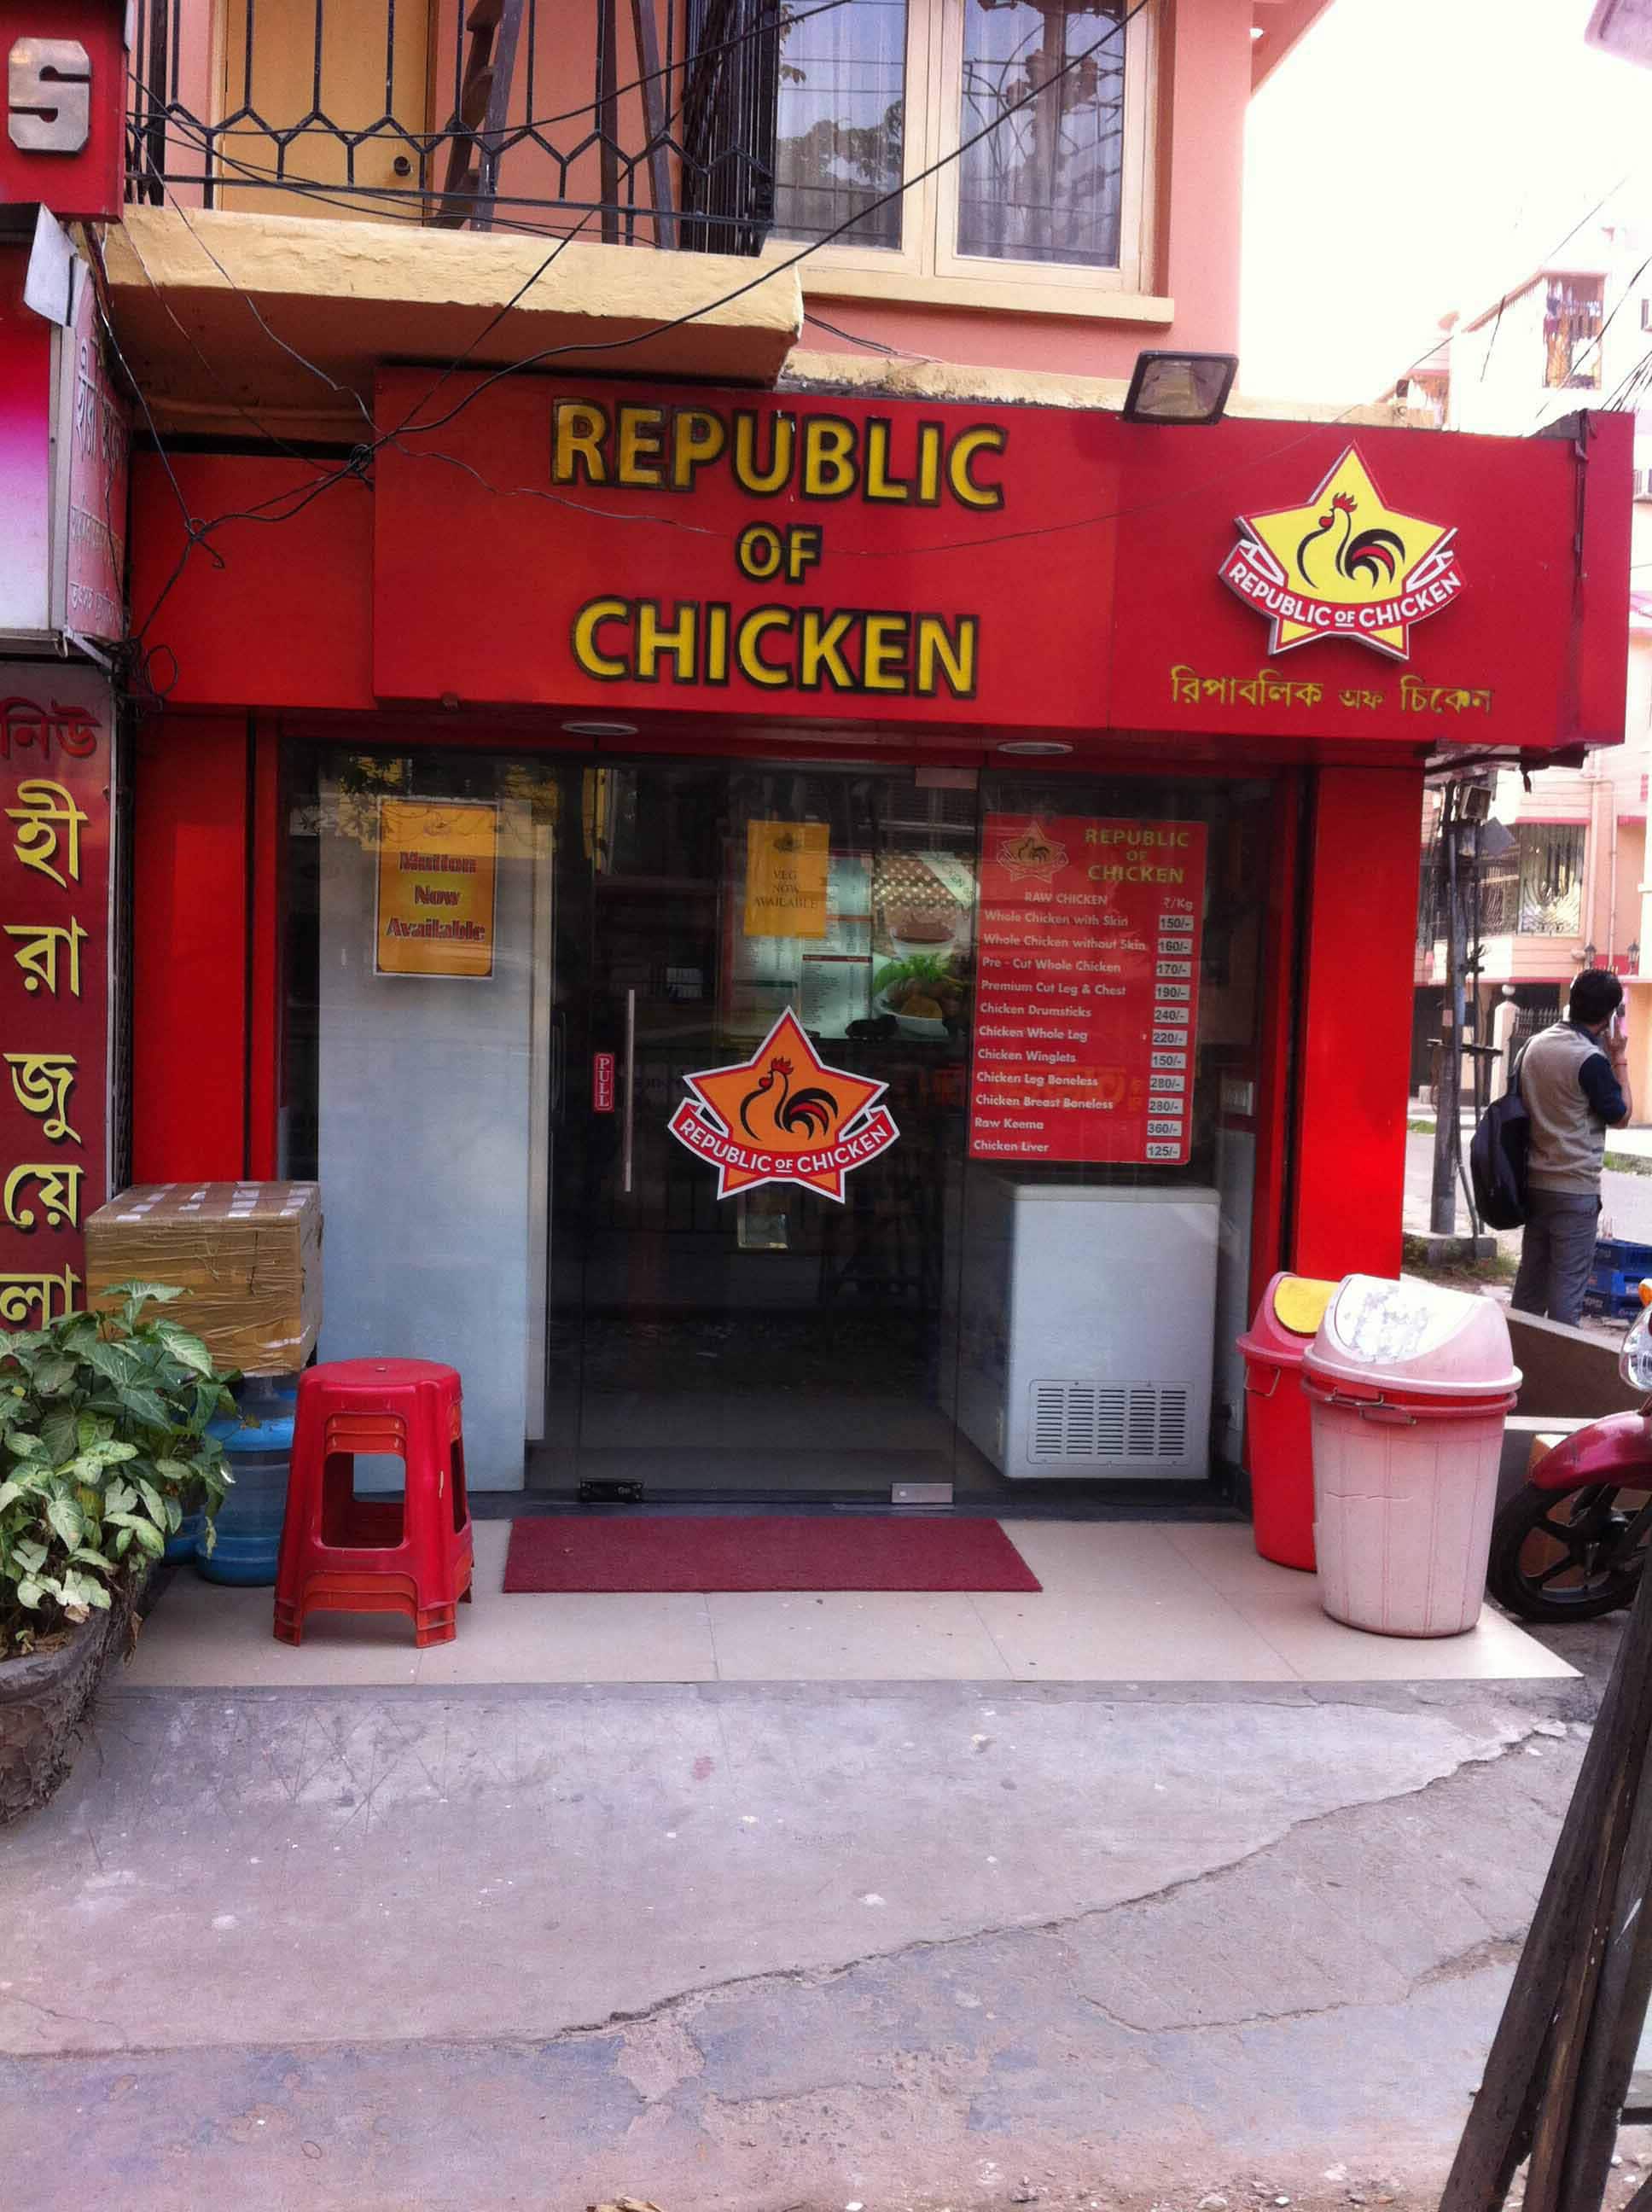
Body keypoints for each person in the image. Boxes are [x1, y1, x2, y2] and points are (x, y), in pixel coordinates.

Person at [1510, 969, 1633, 1325]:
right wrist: (1619, 1058)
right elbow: (1623, 1115)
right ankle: (1557, 1378)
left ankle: (1516, 1368)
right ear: (1610, 1015)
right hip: (1574, 1190)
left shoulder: (1533, 1046)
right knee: (1566, 1297)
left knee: (1529, 1291)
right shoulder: (1589, 1059)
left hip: (1534, 1184)